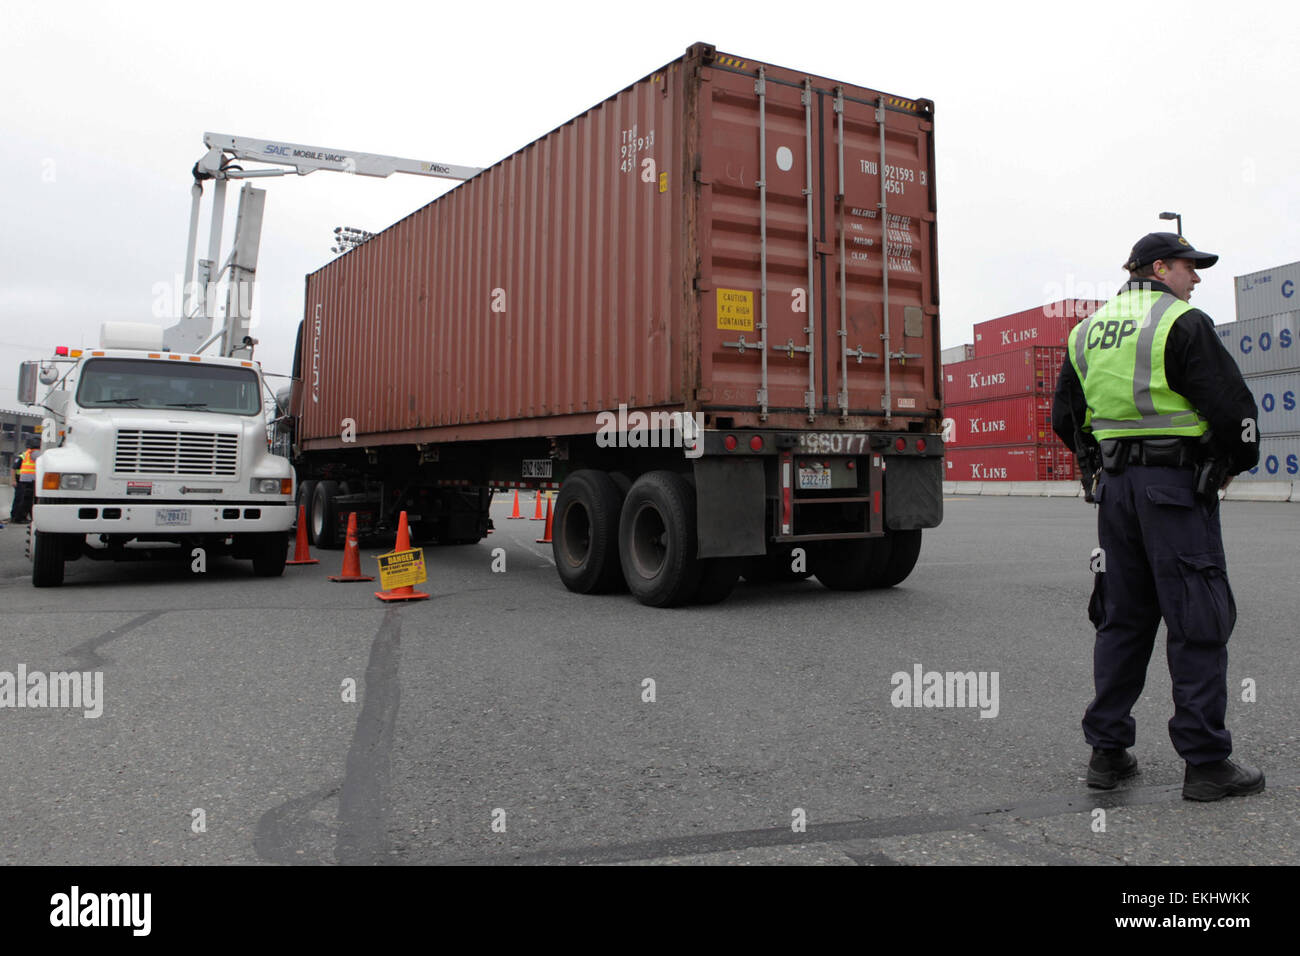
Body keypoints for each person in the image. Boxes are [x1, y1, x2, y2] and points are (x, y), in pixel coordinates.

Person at [1052, 232, 1264, 802]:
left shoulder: (1087, 330)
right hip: (1174, 490)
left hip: (1116, 493)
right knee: (1198, 617)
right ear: (1160, 267)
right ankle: (1205, 763)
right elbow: (1232, 410)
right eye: (1190, 268)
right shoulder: (1181, 323)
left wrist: (1098, 461)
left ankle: (1108, 752)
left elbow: (1064, 416)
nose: (1196, 279)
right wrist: (1231, 462)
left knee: (1121, 618)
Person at [9, 436, 39, 524]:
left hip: (27, 481)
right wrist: (14, 480)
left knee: (25, 500)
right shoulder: (24, 455)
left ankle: (19, 516)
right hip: (22, 481)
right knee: (21, 500)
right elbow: (13, 468)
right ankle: (17, 517)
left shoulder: (29, 454)